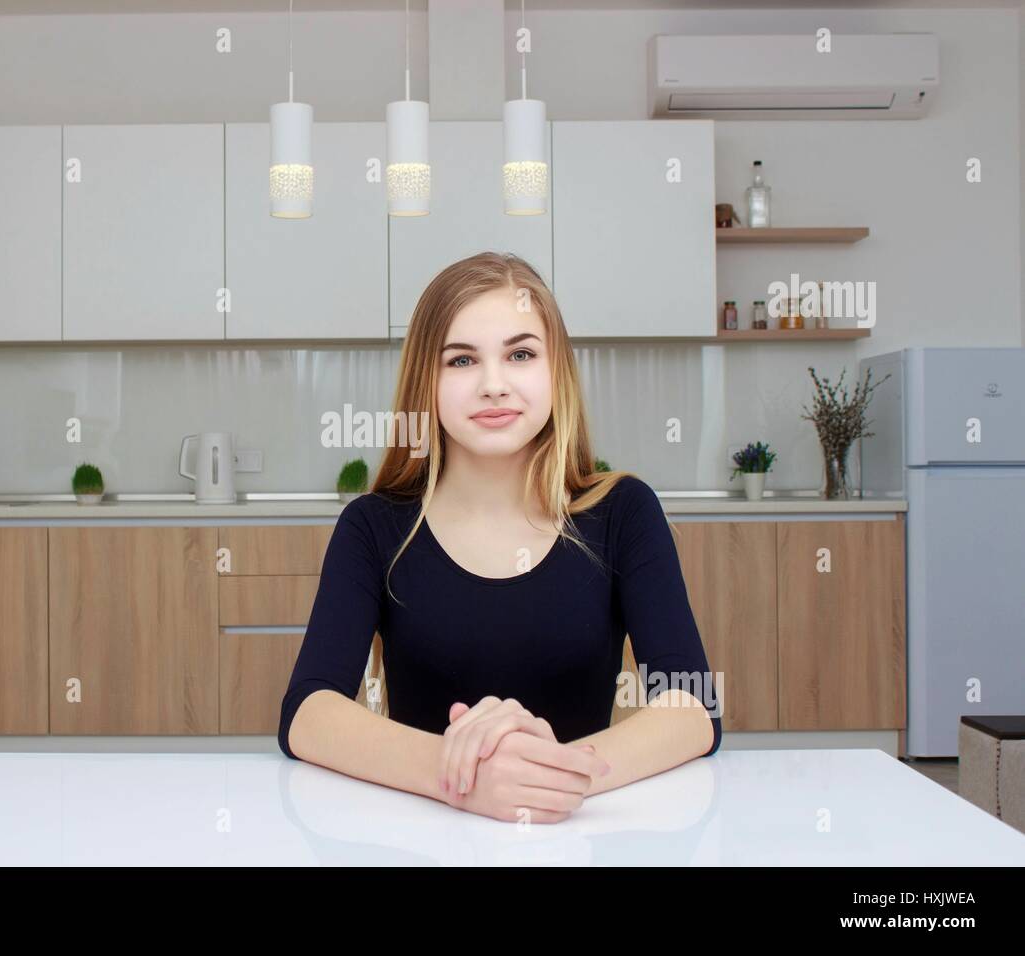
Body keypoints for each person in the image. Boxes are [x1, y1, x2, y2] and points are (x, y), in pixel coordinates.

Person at [278, 251, 721, 824]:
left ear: (554, 370)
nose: (493, 385)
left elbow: (692, 707)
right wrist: (460, 776)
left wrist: (548, 774)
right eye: (462, 360)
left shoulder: (622, 512)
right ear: (426, 381)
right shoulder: (373, 527)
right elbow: (307, 711)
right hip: (423, 836)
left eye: (520, 354)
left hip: (577, 837)